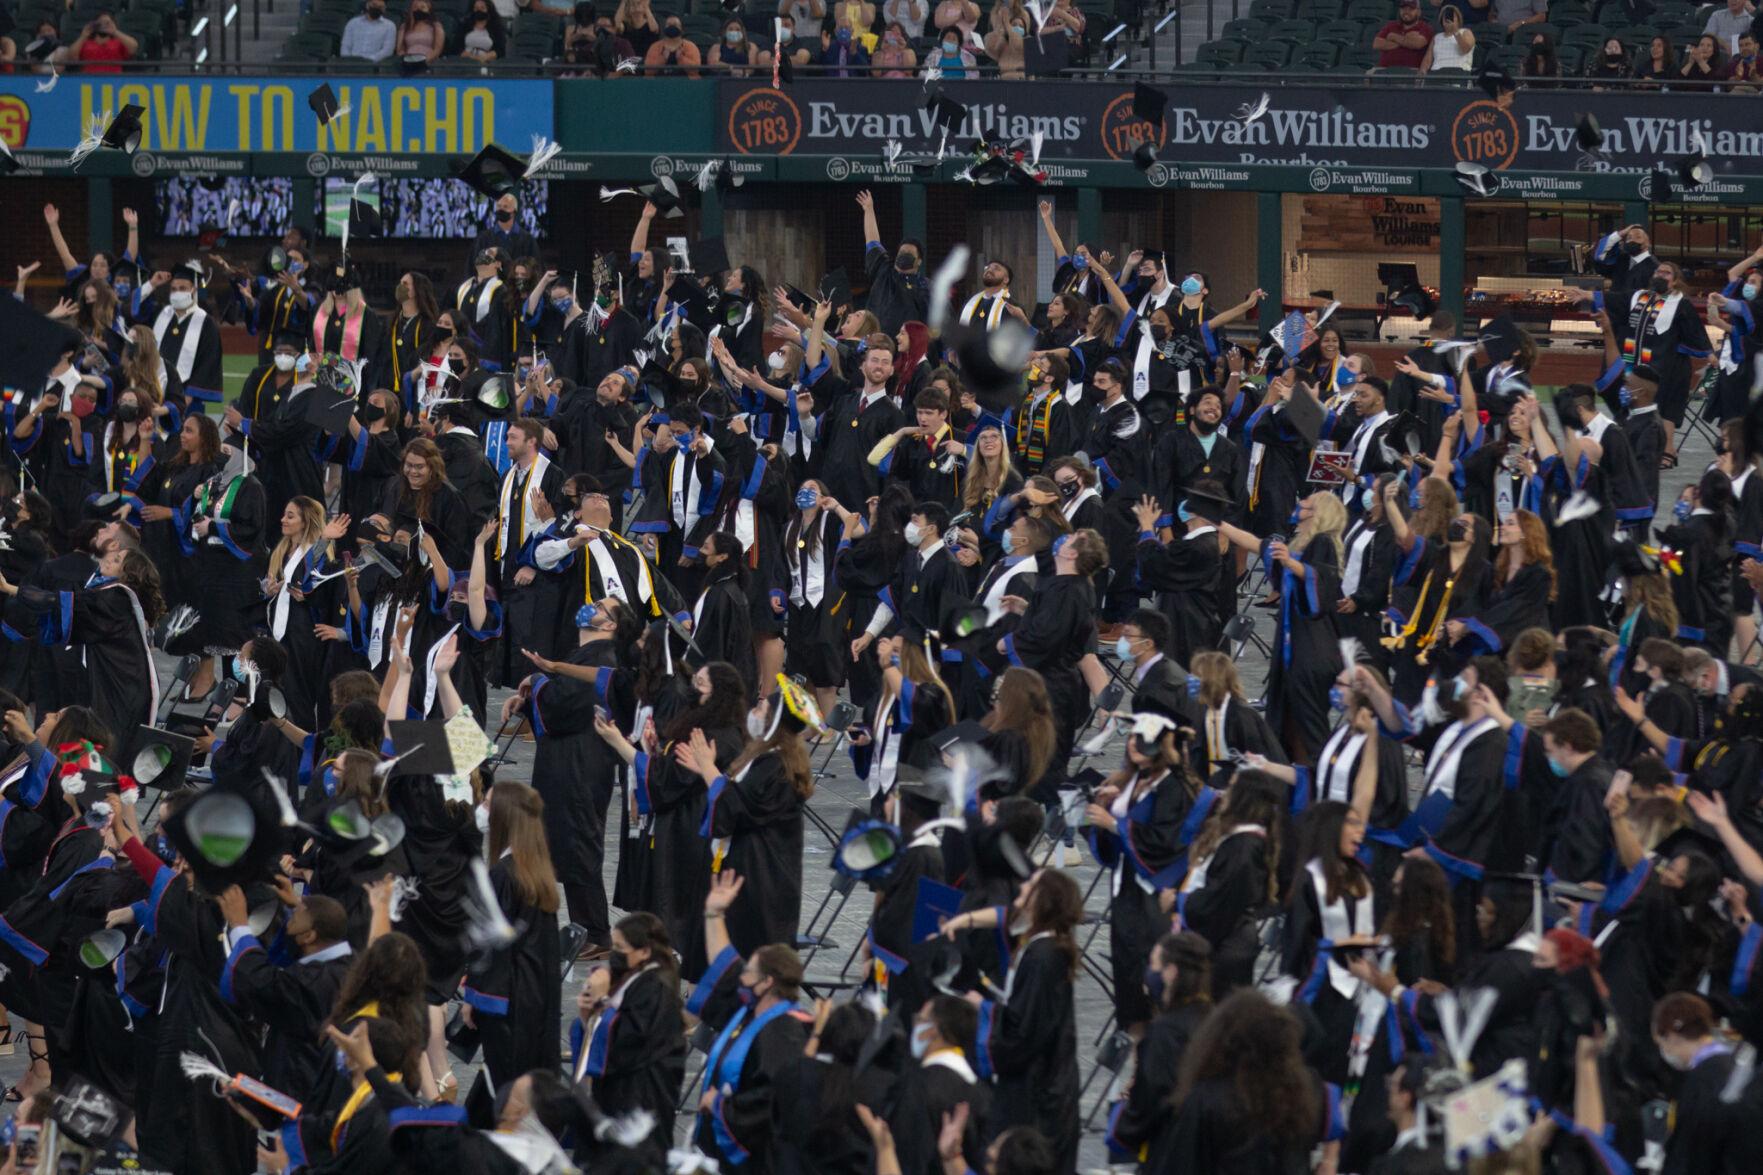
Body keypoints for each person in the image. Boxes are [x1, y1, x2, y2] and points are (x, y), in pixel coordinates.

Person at [570, 911, 686, 1157]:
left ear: (644, 952)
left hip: (642, 1093)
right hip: (619, 1088)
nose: (614, 954)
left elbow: (626, 1041)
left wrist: (601, 1001)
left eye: (620, 947)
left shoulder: (656, 990)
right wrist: (587, 1012)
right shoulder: (631, 978)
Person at [68, 9, 136, 72]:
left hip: (114, 80)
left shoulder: (118, 42)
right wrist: (83, 36)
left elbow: (133, 48)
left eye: (107, 23)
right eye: (100, 23)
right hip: (89, 81)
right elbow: (72, 57)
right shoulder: (85, 43)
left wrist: (115, 31)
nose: (104, 26)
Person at [1374, 0, 1433, 68]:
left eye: (1411, 9)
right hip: (1384, 70)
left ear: (1419, 12)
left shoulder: (1424, 27)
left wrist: (1393, 37)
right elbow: (1377, 44)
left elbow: (1417, 44)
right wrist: (1407, 39)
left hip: (1411, 73)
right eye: (1403, 9)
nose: (1406, 12)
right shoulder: (1391, 25)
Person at [1420, 4, 1474, 70]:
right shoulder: (1436, 37)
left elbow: (1465, 49)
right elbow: (1427, 60)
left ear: (1458, 19)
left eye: (1451, 16)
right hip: (1438, 73)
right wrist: (1421, 74)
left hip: (1459, 72)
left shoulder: (1466, 32)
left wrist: (1455, 31)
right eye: (1445, 16)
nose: (1448, 19)